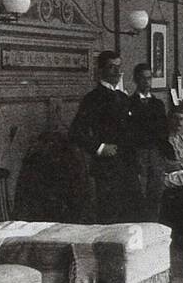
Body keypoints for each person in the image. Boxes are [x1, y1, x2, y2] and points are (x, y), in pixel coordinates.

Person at [69, 50, 138, 222]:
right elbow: (76, 131)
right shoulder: (92, 99)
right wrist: (99, 147)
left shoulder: (123, 97)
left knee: (129, 214)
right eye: (111, 67)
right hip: (107, 167)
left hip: (127, 165)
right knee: (109, 214)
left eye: (118, 67)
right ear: (101, 71)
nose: (116, 72)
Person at [127, 62, 169, 221]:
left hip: (156, 154)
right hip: (139, 154)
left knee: (156, 193)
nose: (147, 82)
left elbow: (164, 129)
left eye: (149, 78)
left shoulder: (158, 104)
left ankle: (154, 228)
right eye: (143, 79)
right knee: (140, 194)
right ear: (136, 80)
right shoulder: (129, 103)